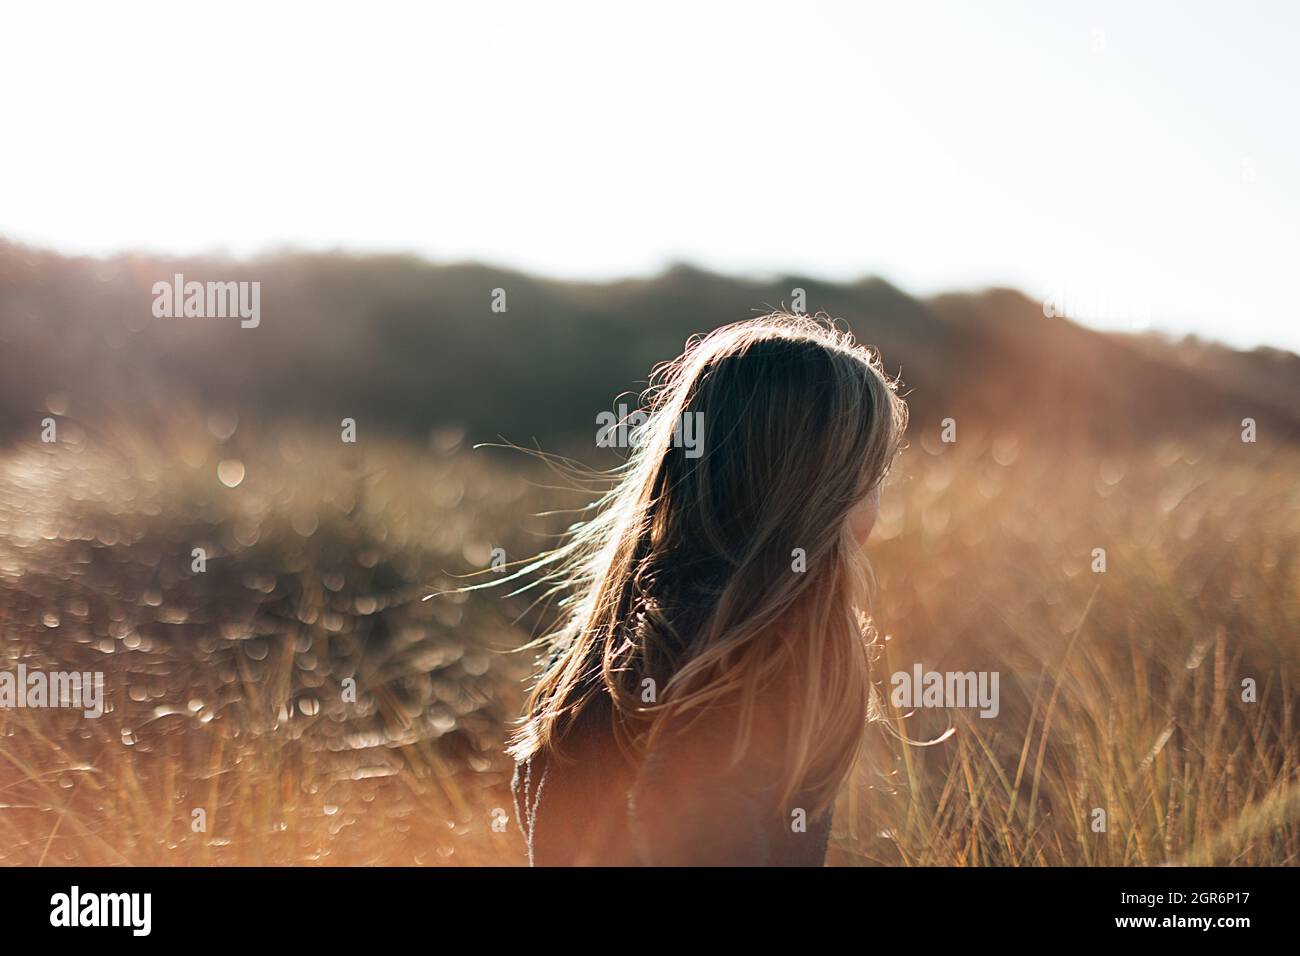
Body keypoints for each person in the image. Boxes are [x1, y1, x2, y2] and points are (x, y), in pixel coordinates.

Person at [509, 313, 908, 865]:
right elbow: (686, 819)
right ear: (819, 493)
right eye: (870, 479)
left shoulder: (616, 633)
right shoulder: (758, 646)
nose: (877, 508)